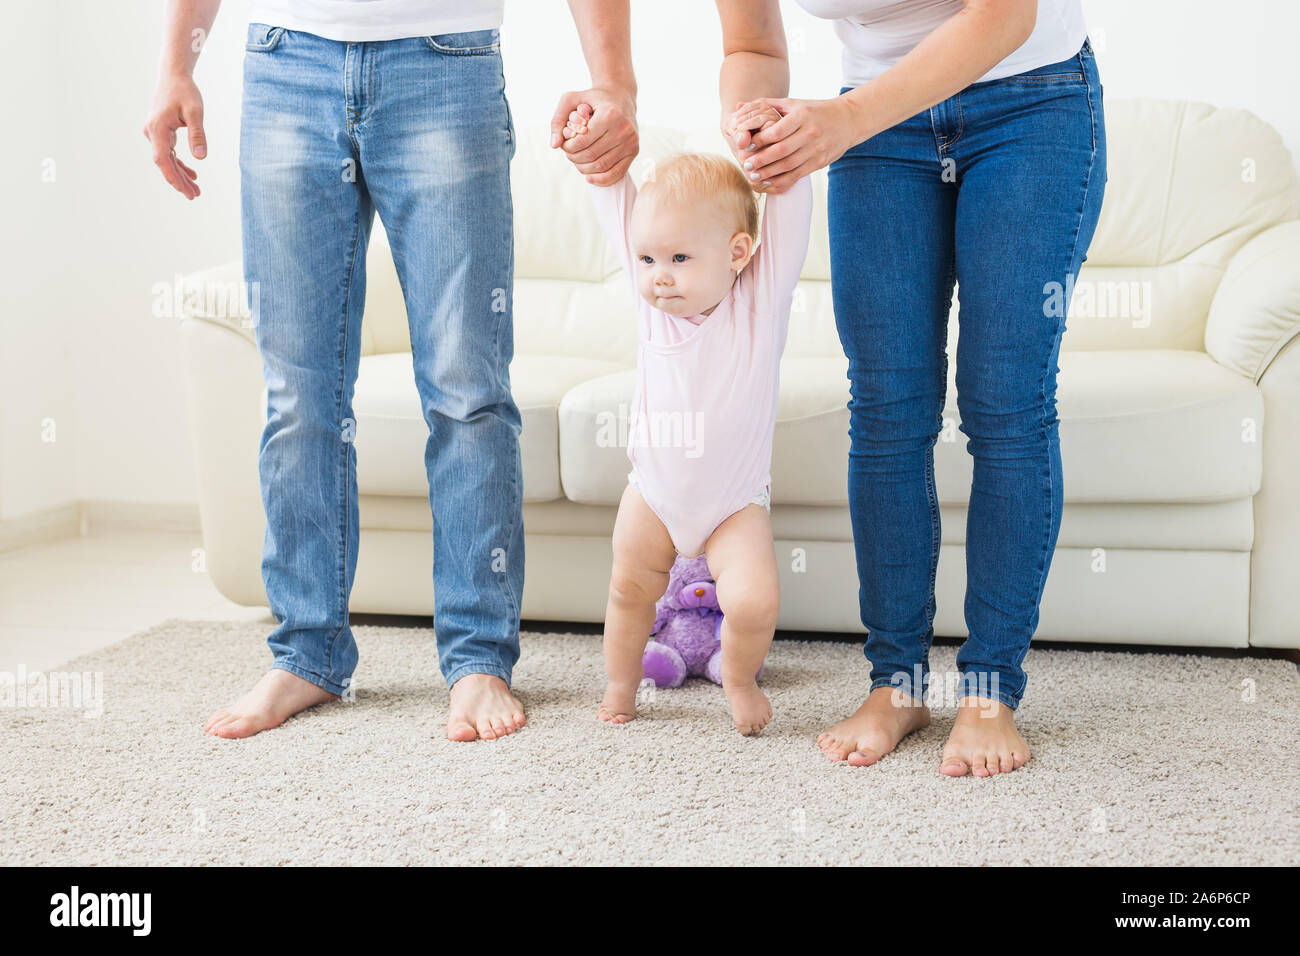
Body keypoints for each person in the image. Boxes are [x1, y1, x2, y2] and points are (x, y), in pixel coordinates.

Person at [554, 0, 1106, 775]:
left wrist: (844, 124)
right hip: (874, 123)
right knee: (887, 409)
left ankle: (987, 693)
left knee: (1005, 405)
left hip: (1028, 97)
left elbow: (1006, 13)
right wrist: (750, 122)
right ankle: (899, 684)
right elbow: (751, 41)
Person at [143, 0, 636, 741]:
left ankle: (477, 661)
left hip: (444, 61)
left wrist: (615, 82)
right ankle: (306, 654)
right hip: (286, 62)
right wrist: (175, 65)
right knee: (297, 396)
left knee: (467, 392)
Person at [564, 101, 812, 735]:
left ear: (737, 251)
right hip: (653, 494)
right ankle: (621, 685)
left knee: (755, 603)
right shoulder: (652, 308)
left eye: (678, 260)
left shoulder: (759, 303)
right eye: (647, 261)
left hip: (734, 505)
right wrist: (589, 138)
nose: (659, 279)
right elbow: (609, 195)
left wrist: (779, 151)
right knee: (627, 591)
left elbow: (789, 210)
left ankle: (739, 677)